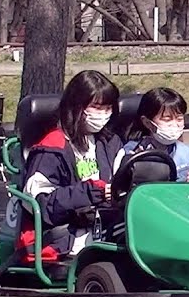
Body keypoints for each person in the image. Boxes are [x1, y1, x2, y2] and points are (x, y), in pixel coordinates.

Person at [19, 70, 124, 261]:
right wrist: (91, 192)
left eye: (108, 108)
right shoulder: (52, 147)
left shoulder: (111, 143)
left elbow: (124, 179)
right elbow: (39, 203)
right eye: (97, 107)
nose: (103, 115)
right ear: (77, 106)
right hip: (64, 237)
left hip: (107, 230)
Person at [122, 87, 189, 183]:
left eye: (179, 119)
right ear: (147, 122)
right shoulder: (130, 153)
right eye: (167, 119)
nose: (174, 124)